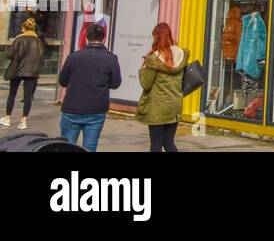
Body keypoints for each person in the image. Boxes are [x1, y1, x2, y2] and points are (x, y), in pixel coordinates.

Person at [57, 21, 121, 152]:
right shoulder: (111, 58)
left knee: (67, 147)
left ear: (86, 38)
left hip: (72, 108)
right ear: (104, 39)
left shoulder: (74, 57)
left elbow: (63, 81)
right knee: (90, 147)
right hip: (96, 109)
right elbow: (115, 84)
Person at [136, 23, 188, 153]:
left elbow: (146, 84)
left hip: (158, 108)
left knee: (156, 144)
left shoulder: (154, 58)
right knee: (168, 142)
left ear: (157, 38)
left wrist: (143, 68)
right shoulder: (181, 54)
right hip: (175, 106)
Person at [2, 17, 44, 129]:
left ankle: (7, 118)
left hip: (17, 70)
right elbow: (40, 56)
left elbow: (9, 55)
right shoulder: (38, 41)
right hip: (32, 72)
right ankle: (23, 121)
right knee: (27, 97)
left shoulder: (18, 39)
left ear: (24, 28)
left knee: (12, 94)